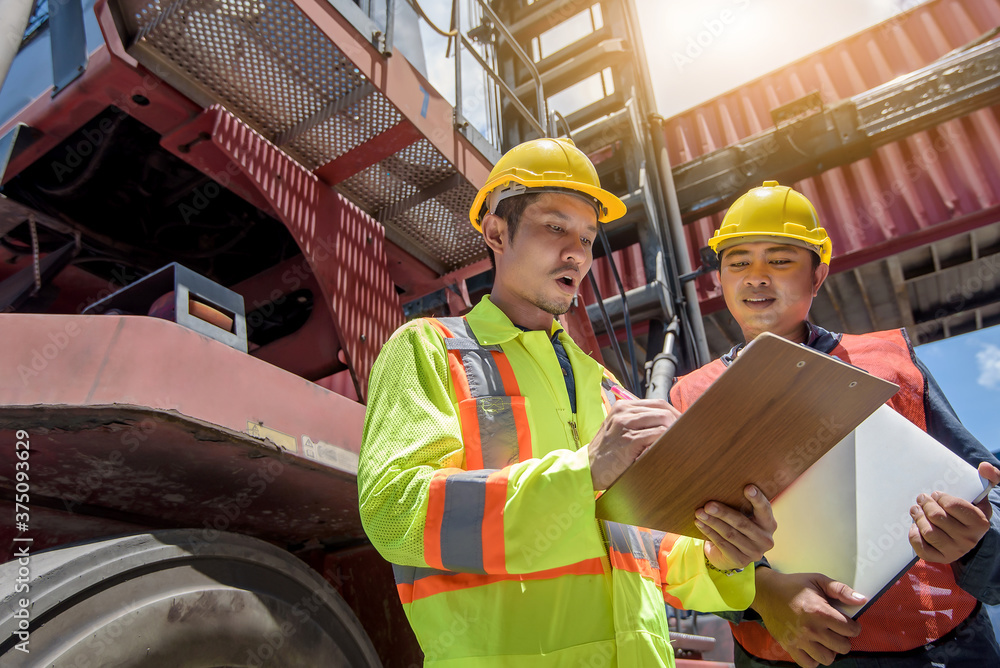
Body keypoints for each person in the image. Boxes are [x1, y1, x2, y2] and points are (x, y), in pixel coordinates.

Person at [358, 137, 777, 667]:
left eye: (587, 236)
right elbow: (395, 515)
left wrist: (724, 555)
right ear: (496, 231)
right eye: (555, 228)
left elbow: (659, 561)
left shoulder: (607, 390)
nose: (577, 252)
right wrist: (582, 475)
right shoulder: (430, 349)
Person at [670, 180, 1000, 668]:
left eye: (780, 260)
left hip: (941, 647)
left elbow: (984, 488)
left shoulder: (891, 361)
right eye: (738, 262)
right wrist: (763, 594)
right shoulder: (691, 394)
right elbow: (681, 546)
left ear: (818, 274)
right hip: (784, 653)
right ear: (720, 278)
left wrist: (976, 542)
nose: (756, 277)